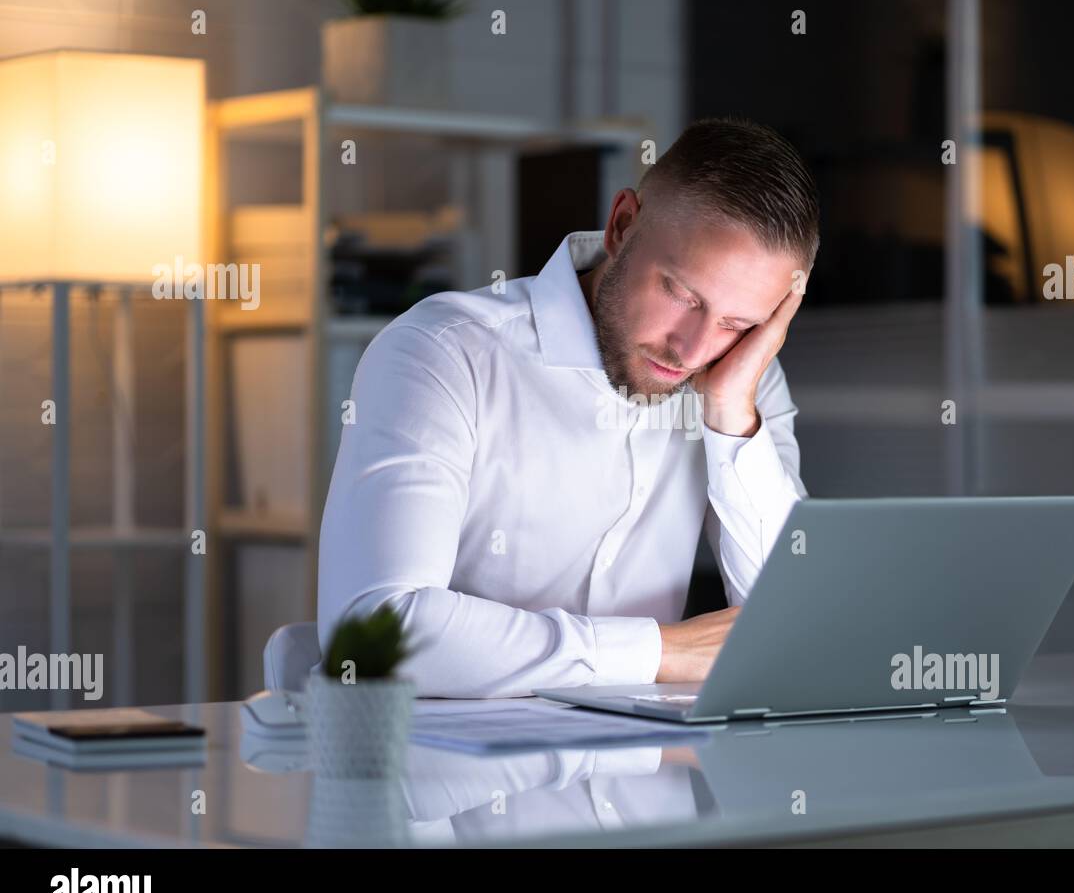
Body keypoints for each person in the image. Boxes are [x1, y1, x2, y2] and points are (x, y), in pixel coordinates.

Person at [317, 116, 819, 697]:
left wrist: (731, 417)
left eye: (737, 323)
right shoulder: (444, 353)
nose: (693, 349)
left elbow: (787, 633)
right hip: (442, 751)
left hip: (642, 751)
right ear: (622, 225)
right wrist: (659, 652)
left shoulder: (739, 378)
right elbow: (372, 636)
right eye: (682, 295)